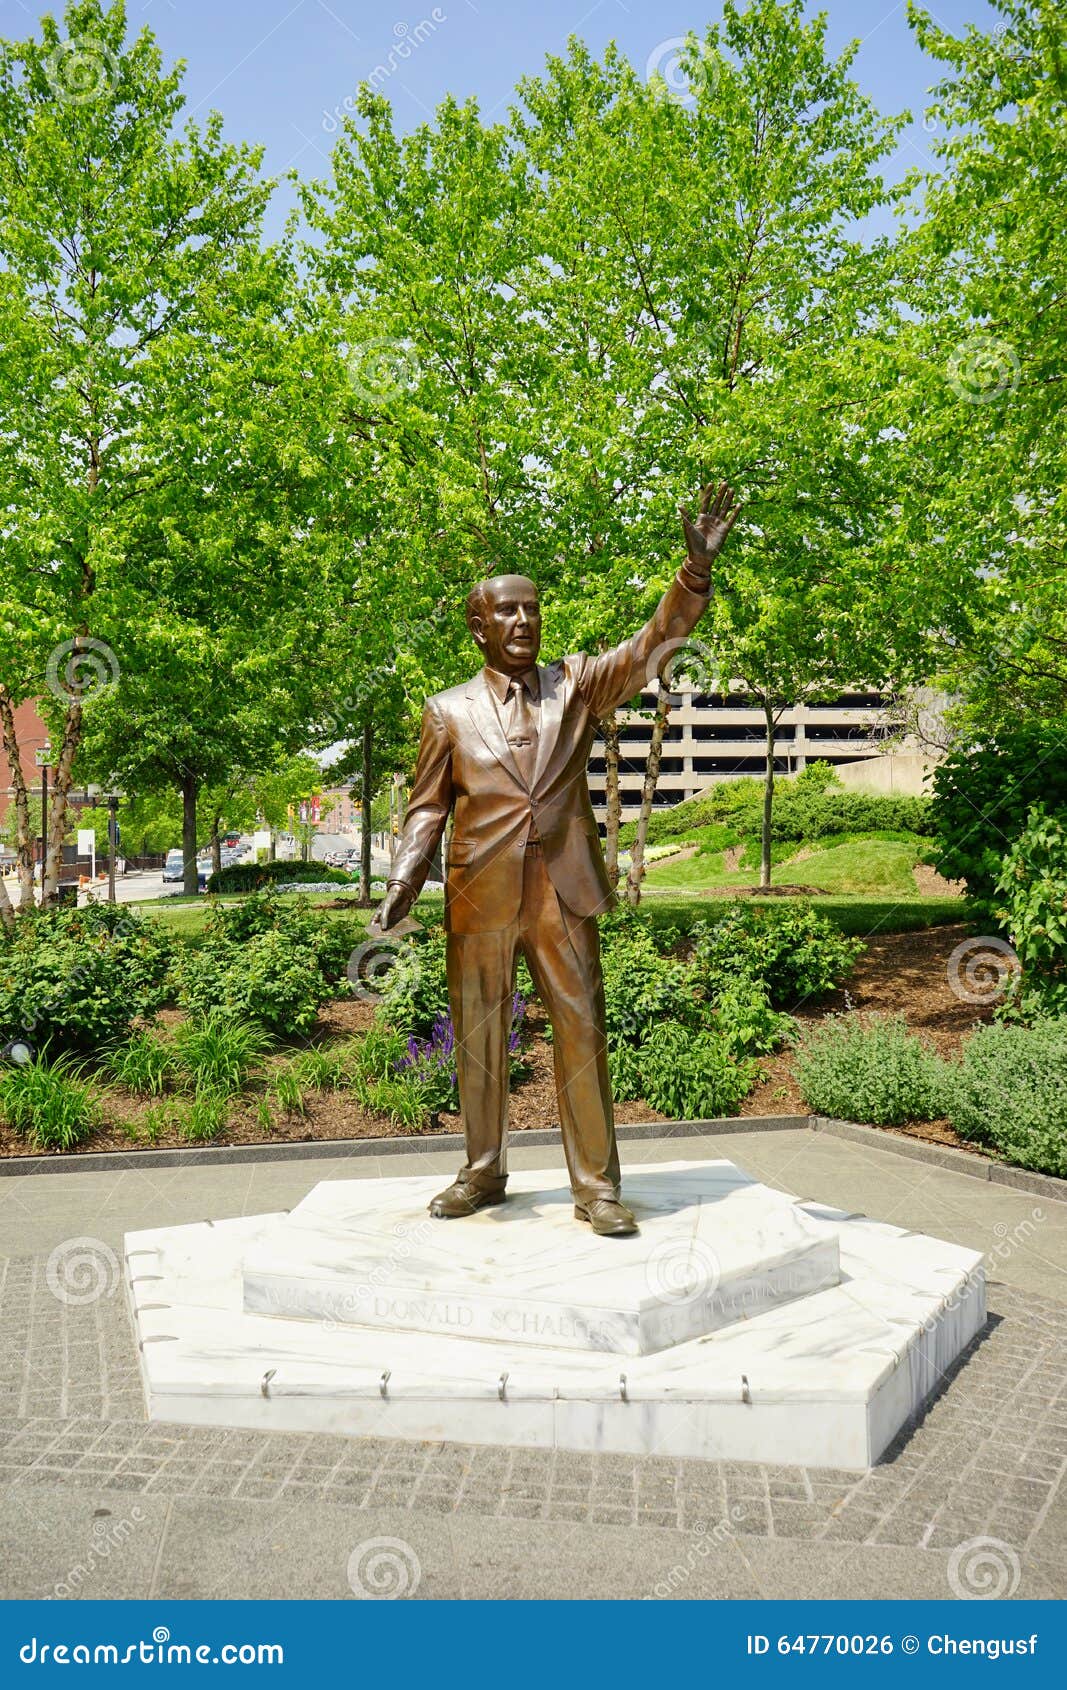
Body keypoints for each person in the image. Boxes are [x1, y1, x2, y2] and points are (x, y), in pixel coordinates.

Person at [372, 483, 741, 1235]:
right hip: (478, 891)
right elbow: (427, 806)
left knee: (582, 1032)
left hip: (562, 889)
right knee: (479, 1039)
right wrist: (406, 875)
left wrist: (693, 573)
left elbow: (650, 647)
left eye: (532, 609)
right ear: (478, 627)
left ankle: (596, 1188)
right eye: (506, 612)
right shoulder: (446, 711)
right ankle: (482, 1172)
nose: (523, 621)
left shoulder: (574, 686)